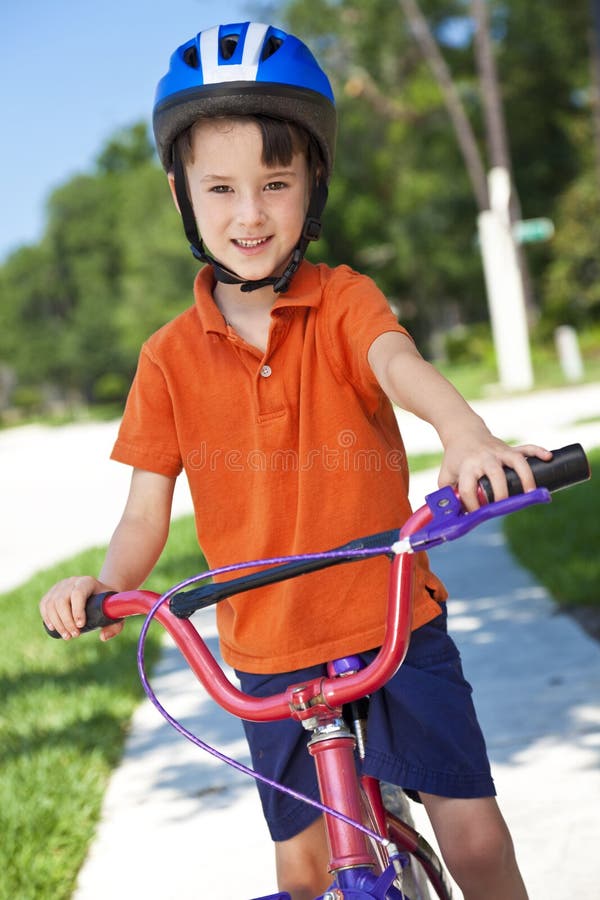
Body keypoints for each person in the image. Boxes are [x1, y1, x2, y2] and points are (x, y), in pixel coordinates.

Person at [40, 22, 548, 900]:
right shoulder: (166, 359)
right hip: (268, 657)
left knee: (473, 842)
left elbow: (400, 365)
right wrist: (107, 585)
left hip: (392, 624)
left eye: (275, 183)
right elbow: (144, 510)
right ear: (181, 197)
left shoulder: (345, 301)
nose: (249, 213)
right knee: (305, 873)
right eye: (222, 187)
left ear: (313, 183)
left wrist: (465, 437)